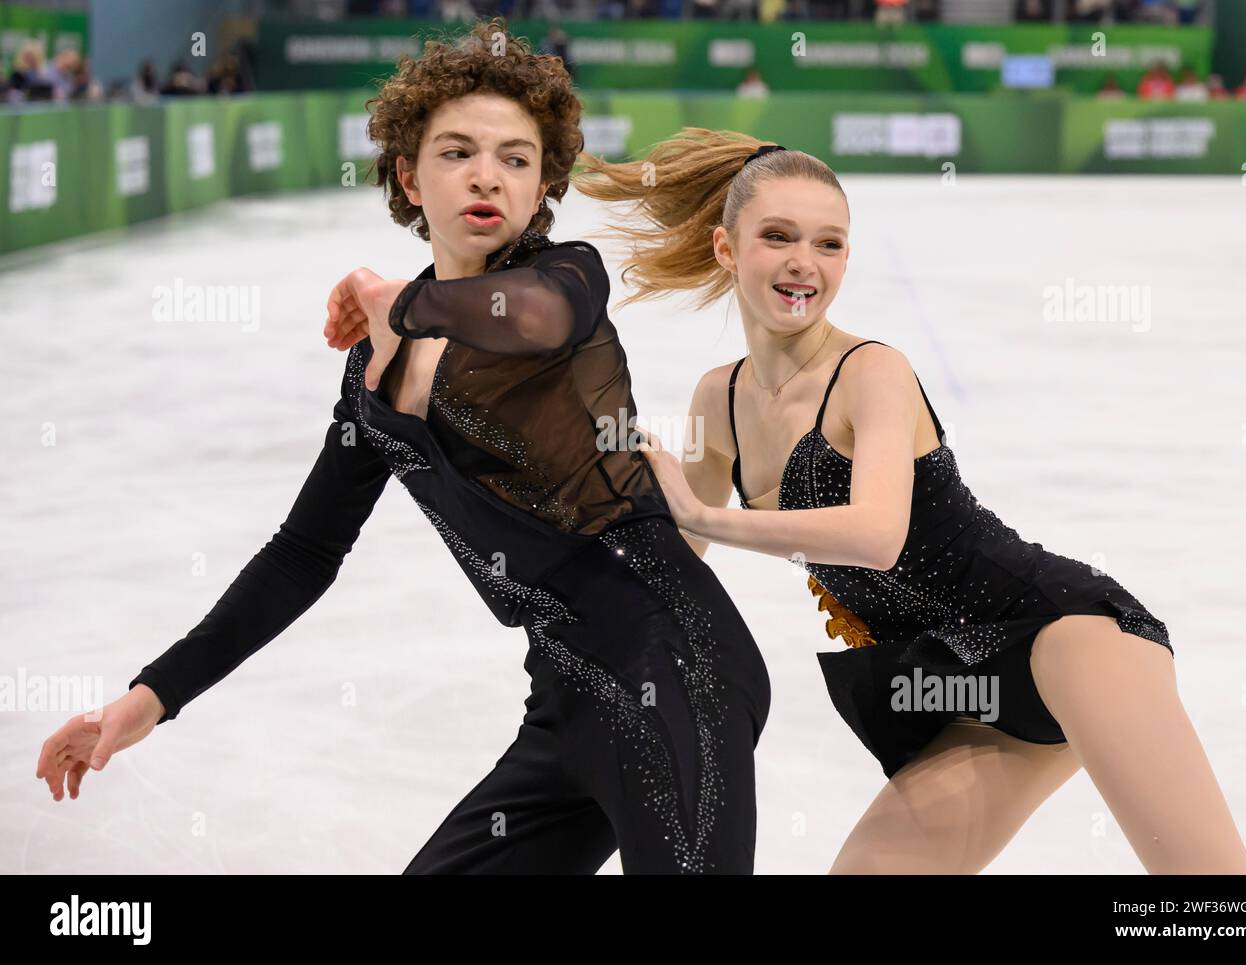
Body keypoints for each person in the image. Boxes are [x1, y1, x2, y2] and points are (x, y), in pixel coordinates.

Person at [35, 19, 771, 876]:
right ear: (407, 177)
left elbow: (532, 317)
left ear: (541, 190)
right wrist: (149, 698)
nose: (487, 174)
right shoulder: (375, 372)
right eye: (456, 151)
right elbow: (303, 552)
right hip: (565, 700)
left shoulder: (565, 282)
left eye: (516, 158)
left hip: (678, 671)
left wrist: (398, 305)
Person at [573, 129, 1246, 874]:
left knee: (1210, 900)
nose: (806, 262)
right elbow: (678, 563)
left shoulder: (873, 372)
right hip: (969, 688)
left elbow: (876, 535)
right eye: (778, 236)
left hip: (1073, 638)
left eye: (829, 244)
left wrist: (710, 515)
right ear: (726, 249)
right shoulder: (721, 395)